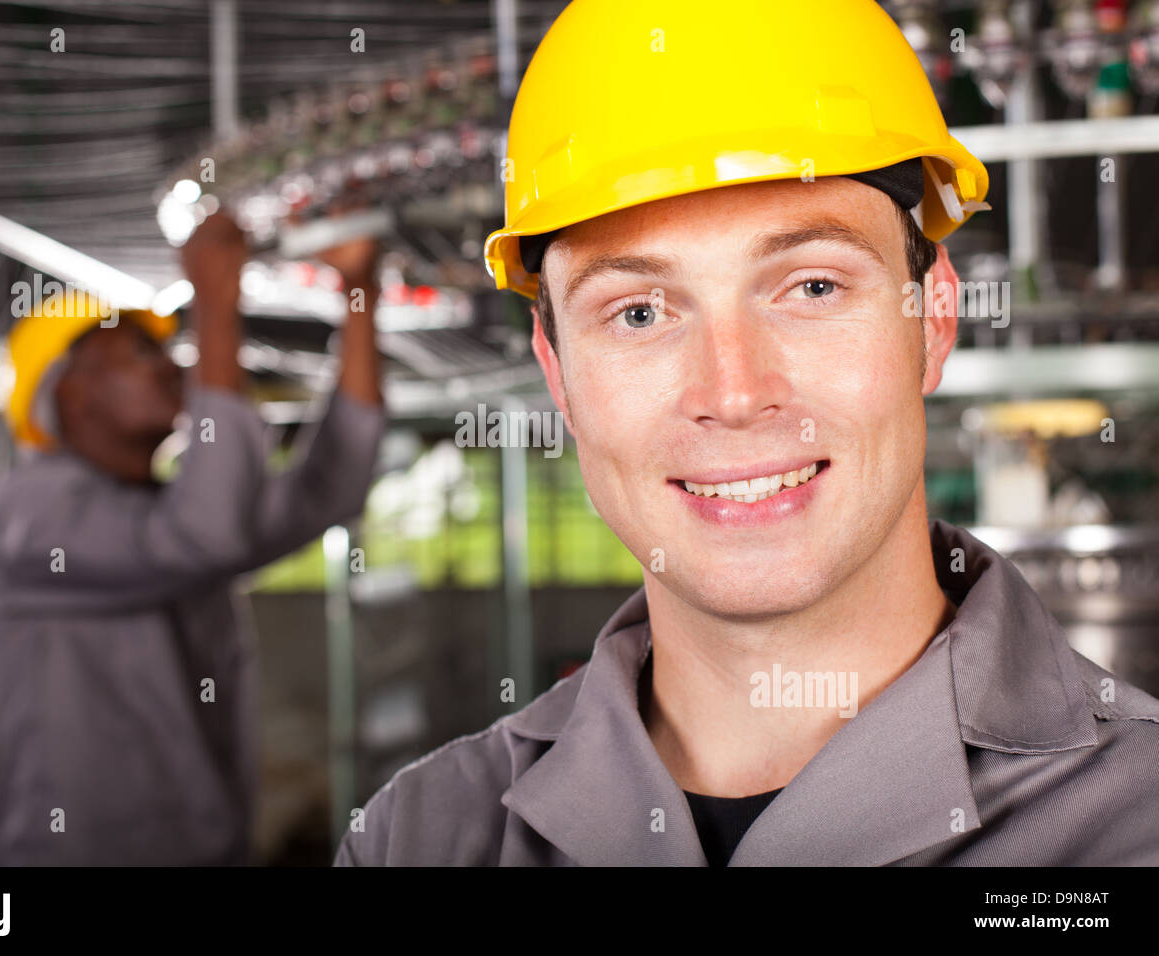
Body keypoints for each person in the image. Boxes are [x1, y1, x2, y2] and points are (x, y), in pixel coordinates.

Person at [335, 0, 1159, 866]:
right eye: (640, 311)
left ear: (936, 316)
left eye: (812, 287)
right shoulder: (419, 838)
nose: (733, 393)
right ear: (557, 374)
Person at [0, 210, 386, 865]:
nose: (169, 367)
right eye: (136, 353)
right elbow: (208, 532)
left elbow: (331, 487)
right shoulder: (27, 519)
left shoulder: (152, 518)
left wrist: (358, 291)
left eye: (162, 348)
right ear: (72, 395)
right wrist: (215, 301)